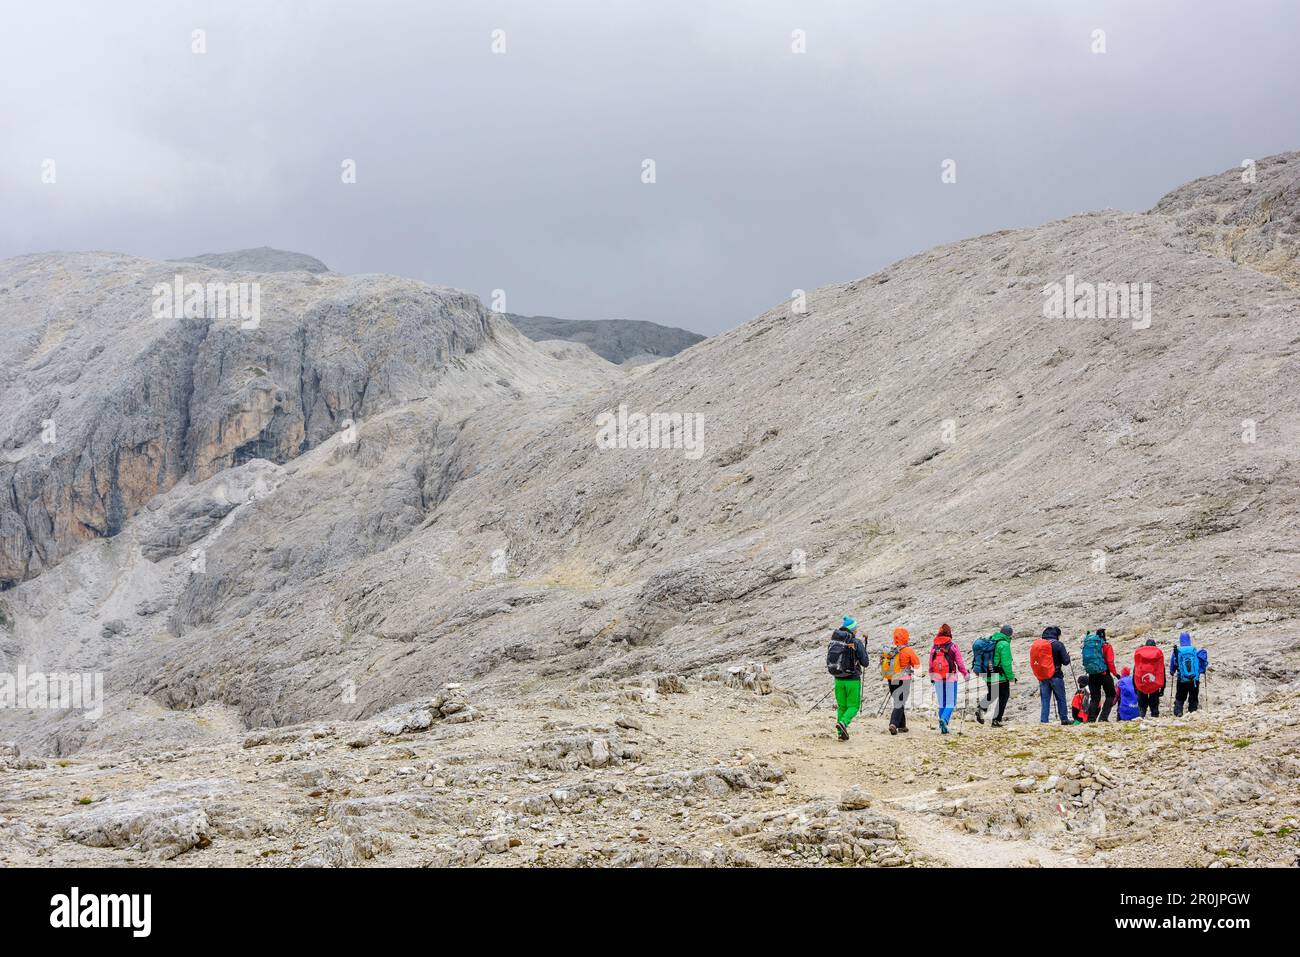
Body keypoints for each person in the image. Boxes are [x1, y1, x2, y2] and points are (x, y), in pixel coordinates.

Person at [826, 616, 870, 740]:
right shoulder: (855, 642)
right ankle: (843, 723)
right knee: (854, 706)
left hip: (838, 678)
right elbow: (865, 663)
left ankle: (841, 735)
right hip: (852, 679)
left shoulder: (835, 641)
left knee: (842, 706)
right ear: (853, 629)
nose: (857, 630)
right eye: (856, 628)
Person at [928, 624, 969, 734]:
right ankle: (944, 720)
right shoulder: (952, 646)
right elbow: (959, 663)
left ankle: (943, 729)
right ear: (949, 633)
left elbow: (931, 664)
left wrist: (931, 675)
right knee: (950, 703)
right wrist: (965, 674)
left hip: (937, 677)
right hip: (950, 676)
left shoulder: (934, 647)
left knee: (942, 703)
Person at [881, 626, 921, 734]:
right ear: (906, 637)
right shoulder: (908, 650)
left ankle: (902, 726)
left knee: (898, 701)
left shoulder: (890, 650)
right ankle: (893, 724)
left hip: (891, 678)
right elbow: (917, 664)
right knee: (900, 702)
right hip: (904, 679)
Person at [1029, 625, 1071, 725]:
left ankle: (1044, 720)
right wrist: (1068, 657)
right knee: (1060, 698)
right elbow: (1065, 661)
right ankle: (1064, 719)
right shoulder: (1058, 644)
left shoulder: (1038, 645)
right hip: (1056, 675)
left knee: (1045, 700)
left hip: (1043, 676)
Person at [1081, 628, 1119, 722]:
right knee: (1111, 695)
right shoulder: (1106, 646)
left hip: (1092, 674)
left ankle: (1091, 719)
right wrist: (1115, 674)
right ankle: (1103, 717)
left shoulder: (1090, 646)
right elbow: (1110, 661)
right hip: (1104, 674)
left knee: (1095, 698)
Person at [1170, 630, 1208, 716]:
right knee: (1193, 697)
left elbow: (1173, 664)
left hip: (1182, 678)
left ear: (1180, 640)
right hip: (1194, 679)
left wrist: (1172, 671)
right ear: (1189, 639)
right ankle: (1193, 712)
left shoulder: (1177, 651)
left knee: (1180, 697)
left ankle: (1178, 712)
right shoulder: (1193, 650)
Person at [985, 624, 1015, 727]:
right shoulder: (1004, 644)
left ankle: (981, 708)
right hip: (1000, 676)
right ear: (1009, 634)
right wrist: (1011, 677)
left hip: (989, 673)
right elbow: (1006, 663)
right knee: (1004, 696)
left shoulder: (992, 640)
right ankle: (996, 720)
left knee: (992, 695)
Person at [1132, 638, 1166, 717]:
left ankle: (1141, 718)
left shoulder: (1140, 657)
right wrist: (1162, 688)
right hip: (1154, 685)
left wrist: (1135, 687)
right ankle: (1155, 719)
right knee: (1154, 706)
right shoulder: (1157, 657)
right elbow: (1162, 673)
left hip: (1141, 685)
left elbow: (1135, 673)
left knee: (1142, 707)